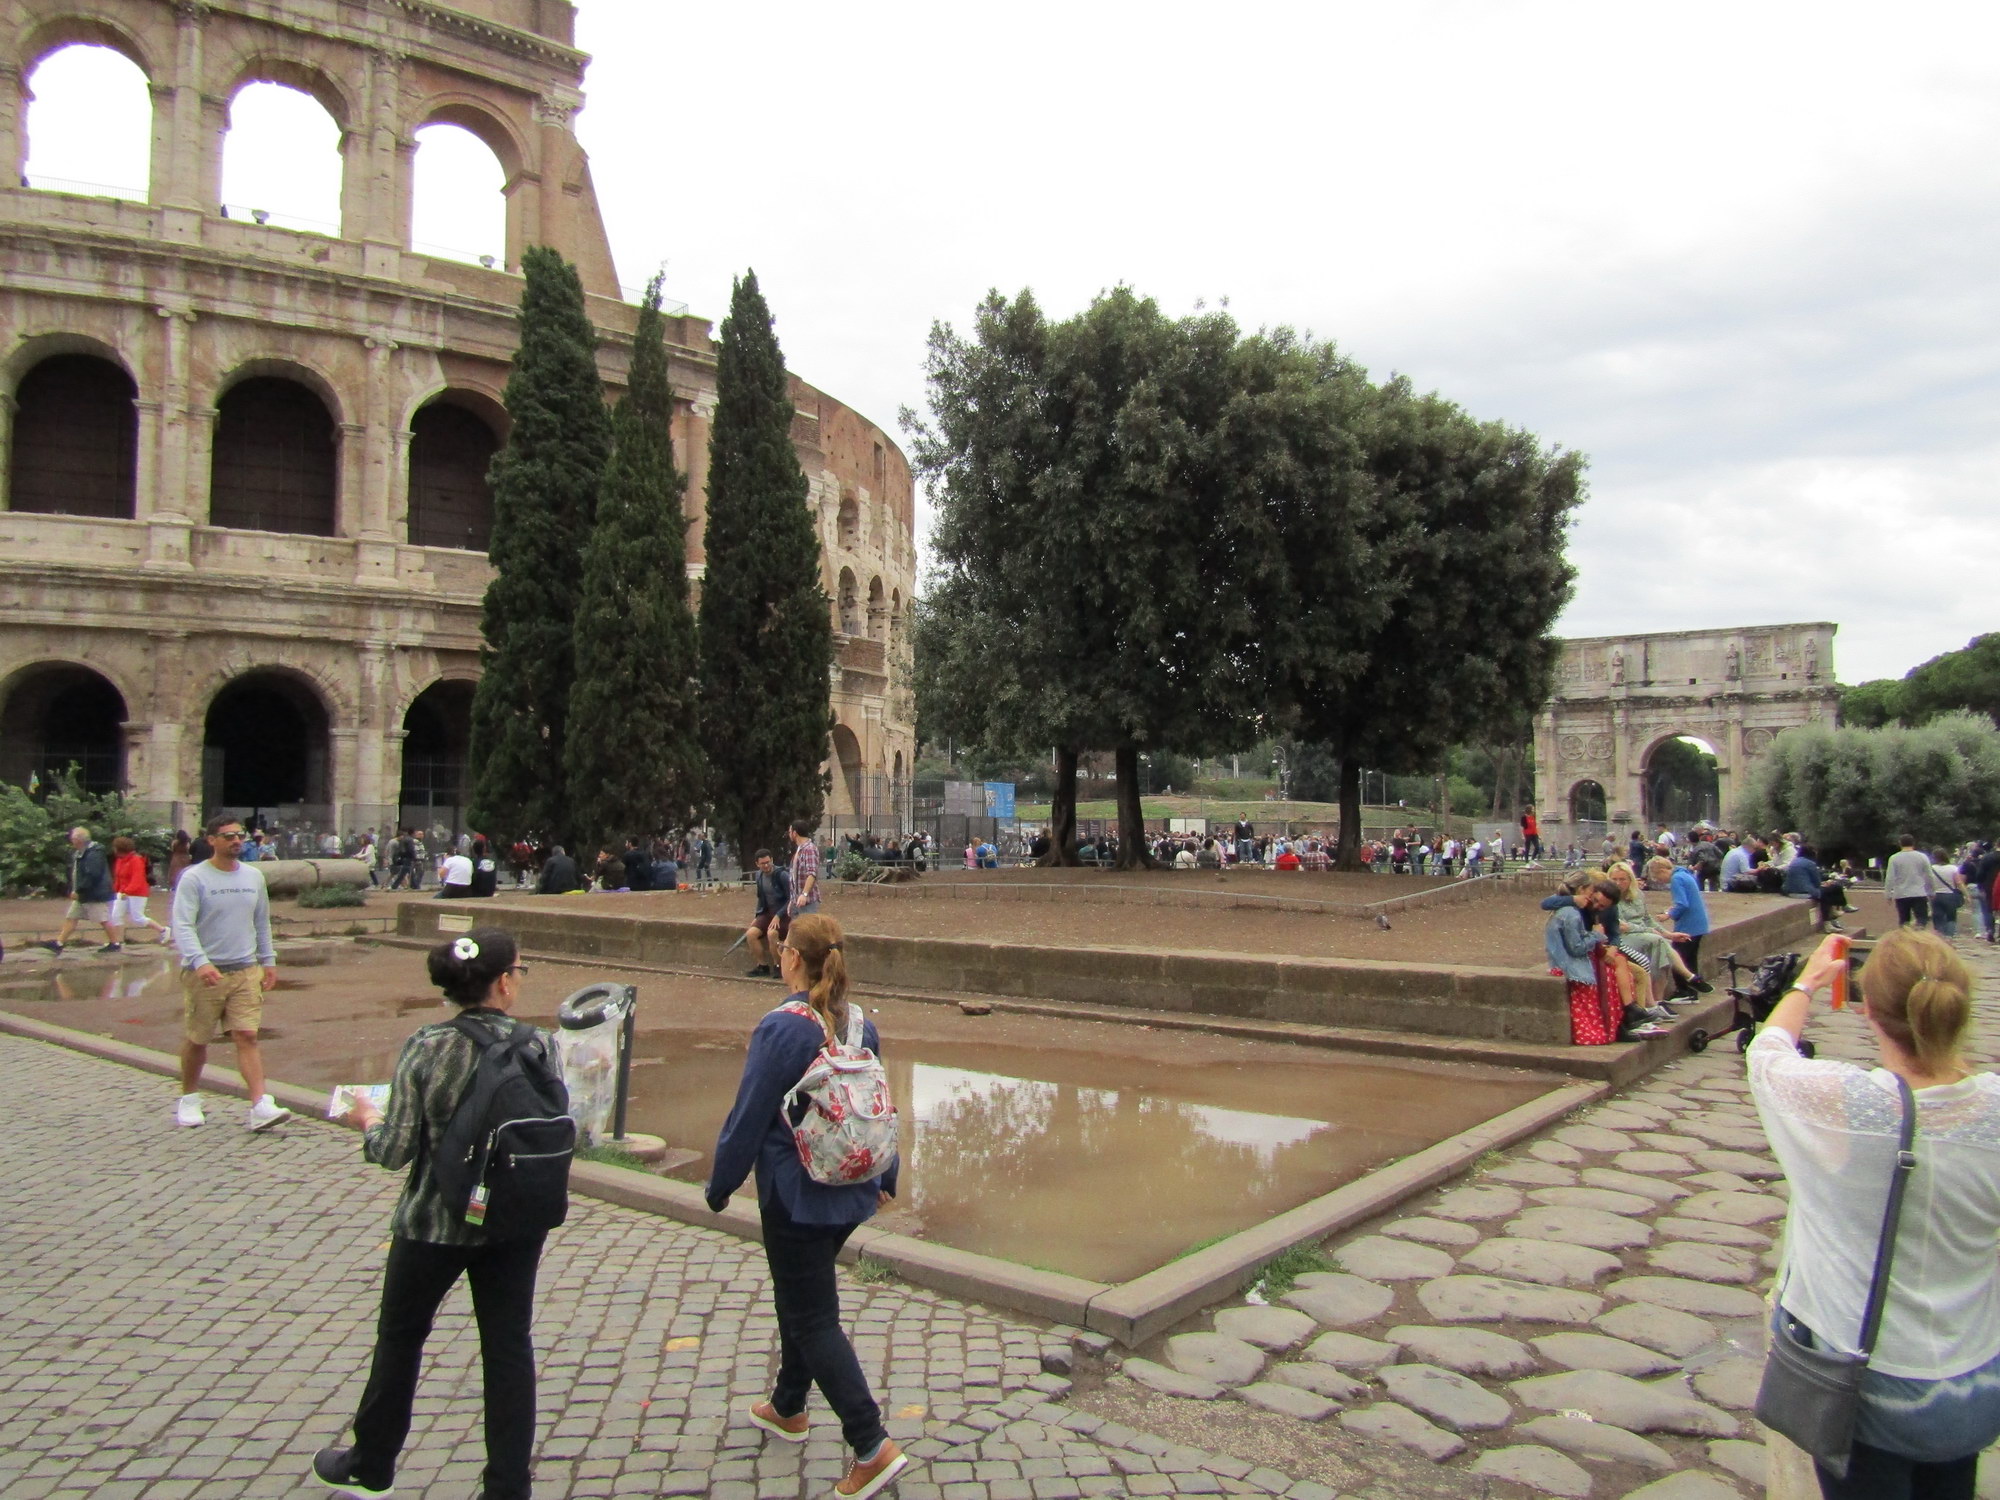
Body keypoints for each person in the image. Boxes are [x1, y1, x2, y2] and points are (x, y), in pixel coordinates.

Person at [1748, 929, 2000, 1499]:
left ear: (1868, 1011)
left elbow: (1766, 1053)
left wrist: (1807, 983)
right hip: (1971, 1375)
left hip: (1863, 1383)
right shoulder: (1992, 1108)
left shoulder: (1845, 1103)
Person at [313, 929, 553, 1500]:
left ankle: (372, 1465)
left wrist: (368, 1119)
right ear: (503, 983)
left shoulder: (427, 1046)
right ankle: (508, 1487)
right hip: (513, 1218)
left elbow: (394, 1150)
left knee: (400, 1336)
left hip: (433, 1219)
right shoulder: (538, 1044)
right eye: (519, 971)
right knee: (508, 1347)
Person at [705, 914, 909, 1499]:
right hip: (853, 1188)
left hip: (796, 1195)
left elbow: (749, 1113)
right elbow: (876, 1104)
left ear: (791, 957)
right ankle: (788, 1405)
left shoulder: (784, 1028)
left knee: (812, 1316)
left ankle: (870, 1443)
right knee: (801, 1298)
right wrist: (887, 1175)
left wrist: (721, 1183)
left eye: (782, 946)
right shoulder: (860, 1023)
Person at [171, 815, 289, 1131]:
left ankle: (260, 1104)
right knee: (198, 1039)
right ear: (211, 840)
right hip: (206, 972)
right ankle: (189, 1097)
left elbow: (261, 922)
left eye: (240, 835)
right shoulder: (194, 878)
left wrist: (268, 960)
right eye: (228, 836)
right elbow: (182, 924)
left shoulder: (253, 877)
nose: (236, 840)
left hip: (245, 969)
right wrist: (200, 962)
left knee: (247, 1035)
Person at [111, 835, 170, 945]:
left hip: (137, 893)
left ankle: (163, 930)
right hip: (123, 892)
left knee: (137, 917)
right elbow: (118, 876)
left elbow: (137, 879)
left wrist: (127, 891)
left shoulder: (136, 860)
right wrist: (117, 889)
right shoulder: (120, 860)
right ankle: (117, 941)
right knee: (115, 916)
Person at [1783, 843, 1853, 933]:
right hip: (1804, 891)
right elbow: (1817, 883)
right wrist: (1826, 883)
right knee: (1828, 892)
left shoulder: (1795, 861)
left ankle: (1835, 911)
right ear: (1811, 853)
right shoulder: (1810, 863)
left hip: (1790, 891)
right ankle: (1829, 921)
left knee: (1828, 890)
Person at [744, 849, 792, 978]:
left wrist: (778, 915)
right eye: (762, 863)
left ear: (771, 860)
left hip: (784, 914)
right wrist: (757, 916)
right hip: (768, 913)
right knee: (751, 934)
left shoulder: (782, 875)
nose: (766, 865)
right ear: (757, 864)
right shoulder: (759, 876)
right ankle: (762, 966)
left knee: (772, 934)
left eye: (768, 862)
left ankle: (778, 966)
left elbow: (791, 899)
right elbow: (761, 898)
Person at [1664, 852, 1711, 977]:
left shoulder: (1676, 879)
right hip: (1699, 924)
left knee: (1679, 961)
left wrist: (1669, 914)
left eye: (1657, 877)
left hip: (1688, 926)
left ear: (1662, 871)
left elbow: (1682, 904)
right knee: (1691, 962)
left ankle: (1685, 987)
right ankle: (1695, 986)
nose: (1659, 881)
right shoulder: (1684, 874)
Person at [1885, 834, 1936, 929]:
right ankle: (1920, 933)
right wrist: (1932, 891)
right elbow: (1929, 875)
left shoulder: (1894, 858)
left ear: (1900, 843)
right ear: (1913, 843)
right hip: (1919, 892)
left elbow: (1889, 878)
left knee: (1904, 920)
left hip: (1901, 894)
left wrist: (1888, 894)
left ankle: (1905, 934)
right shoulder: (1922, 856)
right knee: (1921, 919)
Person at [788, 819, 821, 920]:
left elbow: (812, 874)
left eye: (790, 831)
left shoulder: (809, 849)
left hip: (807, 902)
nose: (789, 834)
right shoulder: (799, 849)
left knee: (807, 929)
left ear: (794, 833)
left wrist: (804, 894)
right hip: (797, 902)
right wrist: (792, 900)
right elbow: (794, 878)